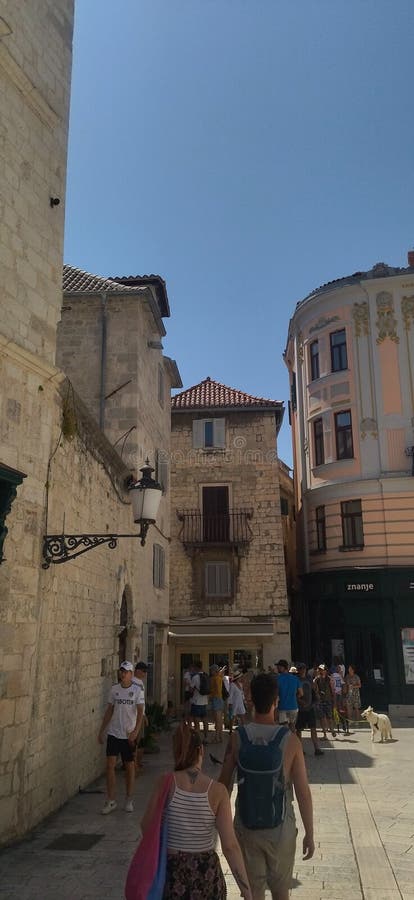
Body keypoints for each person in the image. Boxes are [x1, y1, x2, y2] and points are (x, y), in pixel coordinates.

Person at [219, 673, 314, 900]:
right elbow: (303, 792)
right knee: (281, 892)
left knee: (253, 892)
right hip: (280, 827)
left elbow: (224, 785)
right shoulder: (290, 740)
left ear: (250, 700)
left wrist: (221, 826)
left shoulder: (238, 737)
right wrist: (309, 833)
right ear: (276, 701)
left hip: (246, 824)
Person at [141, 724, 253, 900]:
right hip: (206, 874)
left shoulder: (165, 783)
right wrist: (247, 892)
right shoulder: (217, 791)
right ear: (201, 750)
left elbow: (146, 826)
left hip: (172, 874)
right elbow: (230, 846)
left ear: (176, 752)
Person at [98, 660, 145, 814]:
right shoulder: (114, 690)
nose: (122, 674)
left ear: (131, 674)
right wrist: (102, 730)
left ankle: (129, 798)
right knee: (110, 765)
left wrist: (136, 731)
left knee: (129, 766)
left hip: (128, 735)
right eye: (121, 671)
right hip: (114, 733)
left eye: (125, 672)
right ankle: (111, 800)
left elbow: (140, 713)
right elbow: (109, 710)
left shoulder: (137, 691)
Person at [295, 663, 323, 756]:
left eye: (304, 668)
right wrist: (299, 701)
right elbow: (294, 694)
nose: (303, 670)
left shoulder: (309, 679)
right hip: (300, 708)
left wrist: (316, 697)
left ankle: (316, 748)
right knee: (299, 730)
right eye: (301, 669)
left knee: (313, 728)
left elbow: (313, 691)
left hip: (310, 707)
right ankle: (300, 750)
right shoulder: (296, 680)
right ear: (298, 670)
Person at [275, 659, 303, 732]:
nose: (277, 668)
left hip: (282, 707)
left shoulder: (278, 679)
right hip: (293, 706)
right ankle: (293, 741)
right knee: (292, 727)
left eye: (278, 667)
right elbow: (301, 693)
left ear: (283, 667)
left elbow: (276, 694)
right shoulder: (295, 678)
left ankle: (286, 743)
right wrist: (294, 697)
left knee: (283, 729)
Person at [313, 664, 336, 740]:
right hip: (320, 701)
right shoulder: (317, 679)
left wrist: (334, 700)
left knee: (329, 717)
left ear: (326, 670)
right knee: (322, 718)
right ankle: (325, 734)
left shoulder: (329, 679)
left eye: (322, 669)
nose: (321, 671)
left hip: (328, 700)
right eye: (320, 670)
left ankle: (332, 730)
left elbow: (332, 690)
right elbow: (315, 689)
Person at [190, 661, 209, 744]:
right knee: (205, 720)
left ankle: (198, 740)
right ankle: (206, 738)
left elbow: (191, 689)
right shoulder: (206, 676)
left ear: (196, 667)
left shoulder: (195, 677)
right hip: (204, 701)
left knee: (196, 722)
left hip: (196, 702)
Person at [209, 664, 224, 743]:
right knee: (220, 720)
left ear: (214, 671)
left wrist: (212, 695)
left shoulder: (215, 678)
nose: (210, 672)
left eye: (211, 670)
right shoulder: (219, 677)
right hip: (220, 699)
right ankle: (220, 737)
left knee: (217, 720)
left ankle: (217, 737)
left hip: (216, 699)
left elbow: (217, 690)